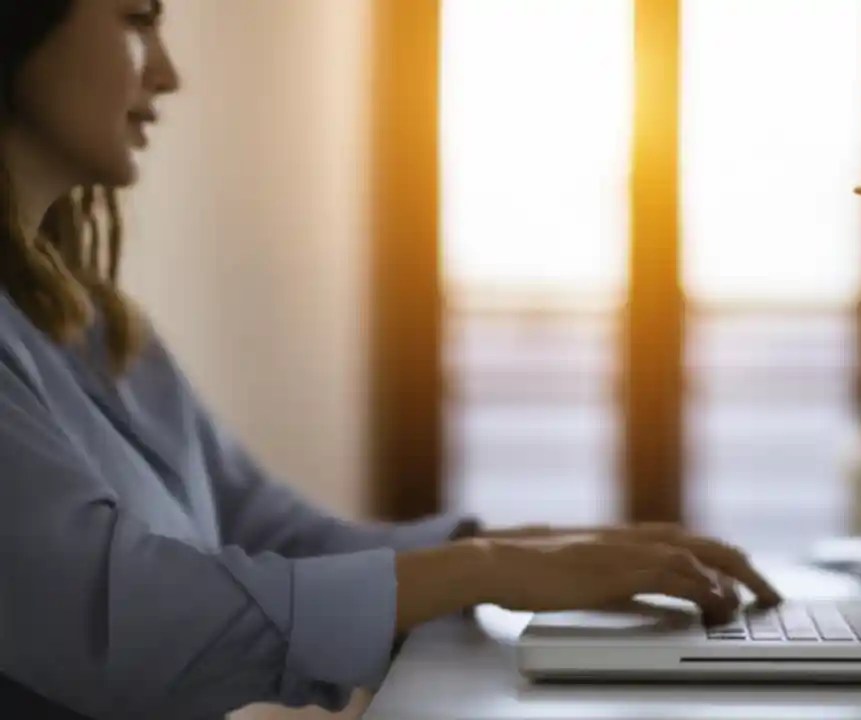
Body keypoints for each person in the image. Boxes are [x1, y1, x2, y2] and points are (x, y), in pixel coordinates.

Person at [0, 1, 782, 717]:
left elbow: (274, 534)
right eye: (137, 19)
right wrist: (488, 569)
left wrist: (556, 547)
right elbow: (130, 626)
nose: (166, 73)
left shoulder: (94, 322)